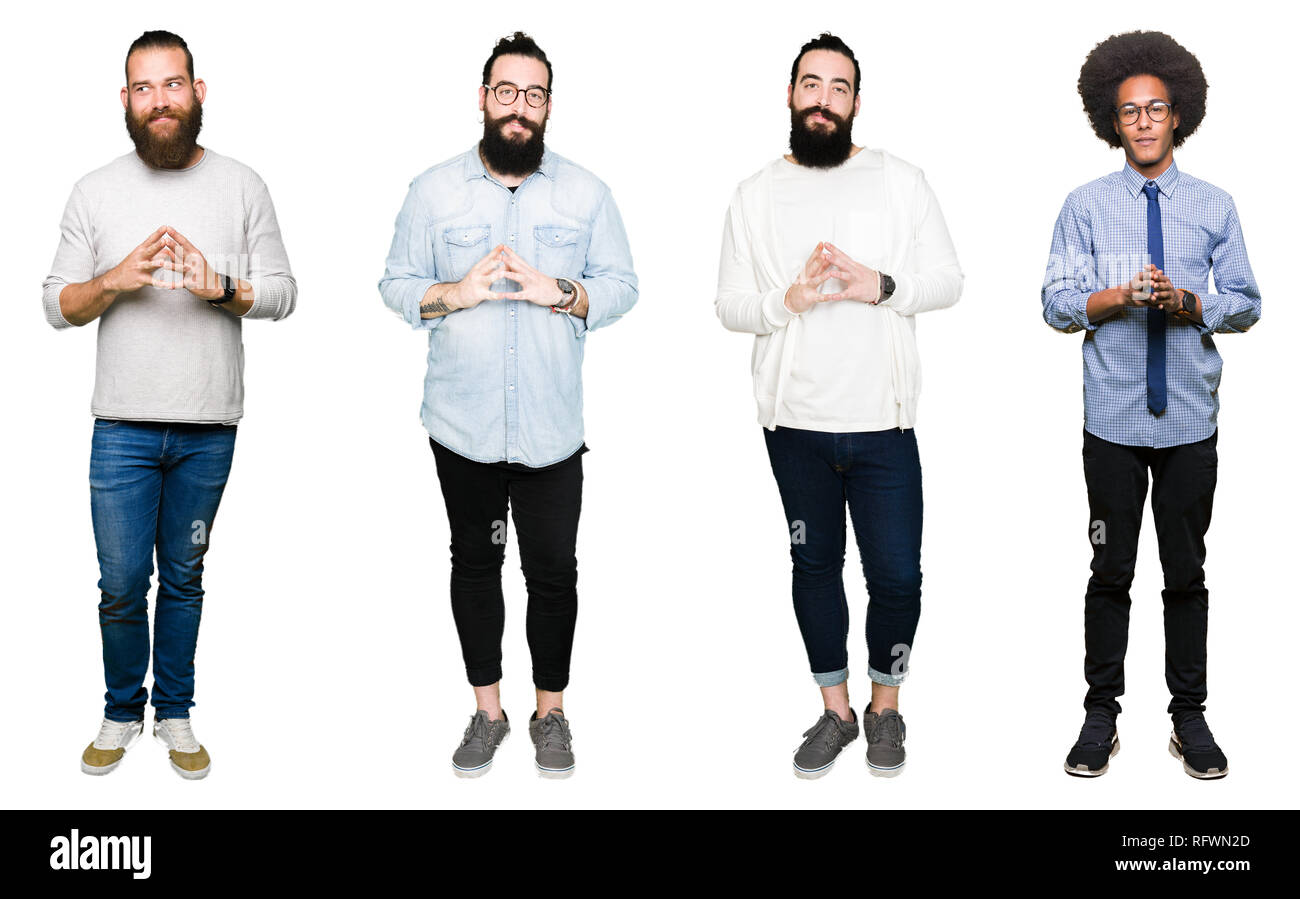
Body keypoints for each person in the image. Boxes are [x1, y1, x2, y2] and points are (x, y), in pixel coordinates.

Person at [379, 32, 637, 779]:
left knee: (555, 571)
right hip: (462, 429)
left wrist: (561, 291)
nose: (518, 108)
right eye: (505, 91)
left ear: (548, 106)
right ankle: (488, 710)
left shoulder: (587, 193)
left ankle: (550, 713)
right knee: (475, 562)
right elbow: (394, 283)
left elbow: (622, 284)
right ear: (484, 97)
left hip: (553, 431)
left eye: (533, 95)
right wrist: (450, 293)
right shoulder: (433, 192)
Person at [43, 30, 296, 780]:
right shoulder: (94, 191)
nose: (159, 101)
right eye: (143, 88)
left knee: (183, 577)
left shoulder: (243, 185)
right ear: (125, 100)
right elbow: (56, 305)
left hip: (207, 427)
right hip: (120, 428)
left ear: (198, 91)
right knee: (120, 583)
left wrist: (218, 284)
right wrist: (115, 278)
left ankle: (175, 712)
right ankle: (123, 711)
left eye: (172, 85)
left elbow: (284, 293)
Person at [716, 33, 962, 778]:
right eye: (811, 84)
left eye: (840, 87)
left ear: (856, 102)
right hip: (795, 427)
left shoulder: (900, 181)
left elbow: (949, 280)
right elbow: (728, 305)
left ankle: (887, 706)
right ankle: (836, 710)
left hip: (884, 424)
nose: (824, 99)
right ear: (790, 95)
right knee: (813, 565)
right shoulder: (753, 195)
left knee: (897, 576)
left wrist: (878, 284)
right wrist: (783, 299)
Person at [1043, 30, 1260, 780]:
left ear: (1178, 115)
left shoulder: (1214, 206)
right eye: (1128, 110)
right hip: (1111, 422)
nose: (1142, 121)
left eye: (1155, 108)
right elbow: (1056, 302)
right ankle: (1100, 713)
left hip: (1191, 425)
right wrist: (1118, 296)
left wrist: (1187, 300)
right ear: (1112, 118)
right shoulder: (1084, 207)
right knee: (1110, 570)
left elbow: (1246, 303)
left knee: (1186, 572)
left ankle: (1189, 715)